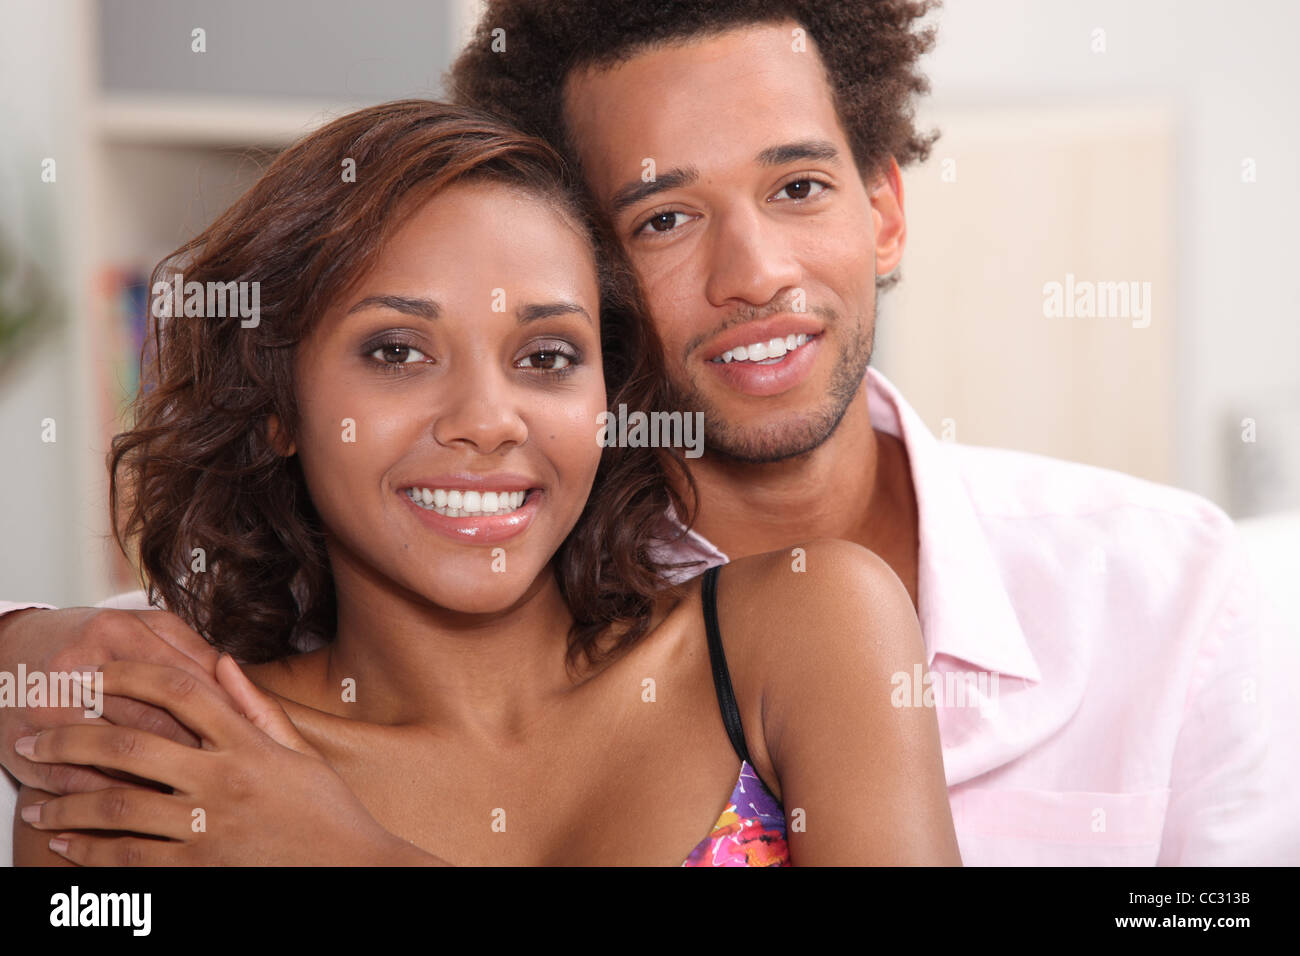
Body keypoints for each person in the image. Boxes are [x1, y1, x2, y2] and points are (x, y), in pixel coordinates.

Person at [3, 0, 1297, 865]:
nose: (754, 273)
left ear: (885, 208)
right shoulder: (180, 752)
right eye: (666, 216)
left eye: (797, 187)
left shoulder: (1152, 588)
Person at [7, 99, 958, 866]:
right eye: (397, 350)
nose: (487, 419)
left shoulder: (807, 629)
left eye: (546, 356)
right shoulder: (159, 774)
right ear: (276, 407)